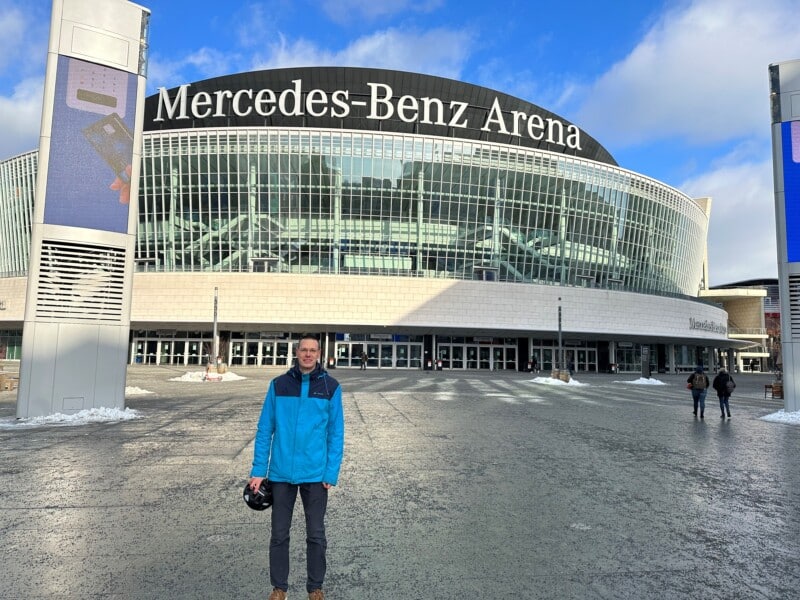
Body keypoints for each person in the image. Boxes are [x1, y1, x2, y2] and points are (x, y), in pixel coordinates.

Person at [249, 334, 345, 600]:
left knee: (316, 535)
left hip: (315, 474)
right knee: (279, 534)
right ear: (296, 352)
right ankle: (279, 588)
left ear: (319, 353)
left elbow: (336, 433)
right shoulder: (278, 385)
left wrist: (331, 472)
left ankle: (315, 588)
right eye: (303, 349)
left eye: (313, 350)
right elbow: (265, 428)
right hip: (280, 473)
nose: (308, 354)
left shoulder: (331, 387)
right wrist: (259, 471)